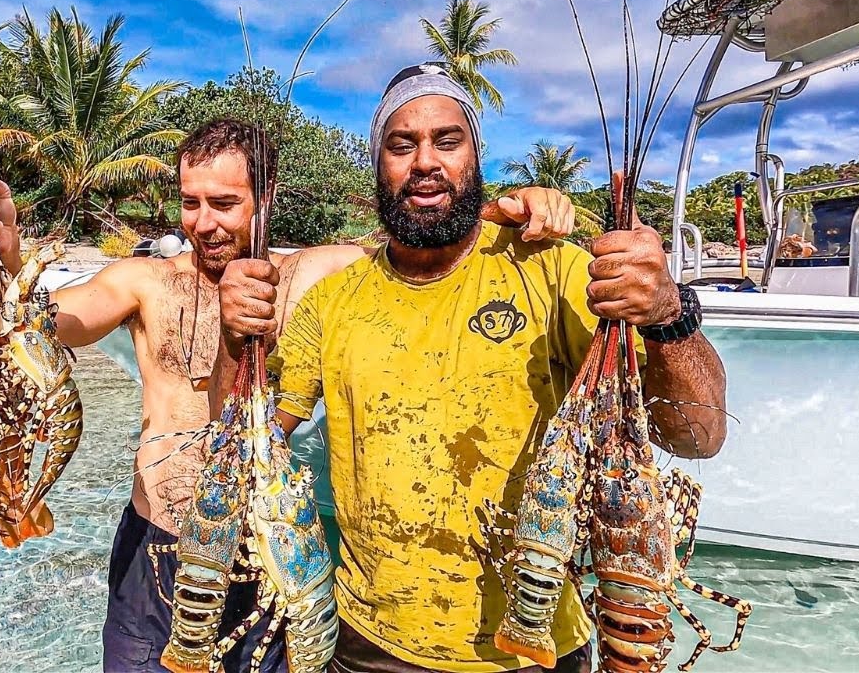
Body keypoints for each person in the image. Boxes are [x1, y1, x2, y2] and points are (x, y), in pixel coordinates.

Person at [0, 117, 579, 672]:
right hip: (155, 546)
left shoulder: (312, 274)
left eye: (225, 203)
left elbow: (426, 231)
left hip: (267, 559)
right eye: (191, 203)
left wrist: (516, 207)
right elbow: (40, 323)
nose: (204, 222)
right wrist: (0, 256)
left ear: (264, 201)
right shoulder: (142, 281)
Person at [212, 64, 729, 673]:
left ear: (476, 158)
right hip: (365, 644)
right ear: (377, 164)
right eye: (401, 145)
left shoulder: (553, 270)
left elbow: (699, 437)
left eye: (446, 141)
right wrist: (232, 338)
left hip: (534, 649)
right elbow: (242, 445)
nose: (424, 161)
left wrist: (670, 313)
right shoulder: (332, 303)